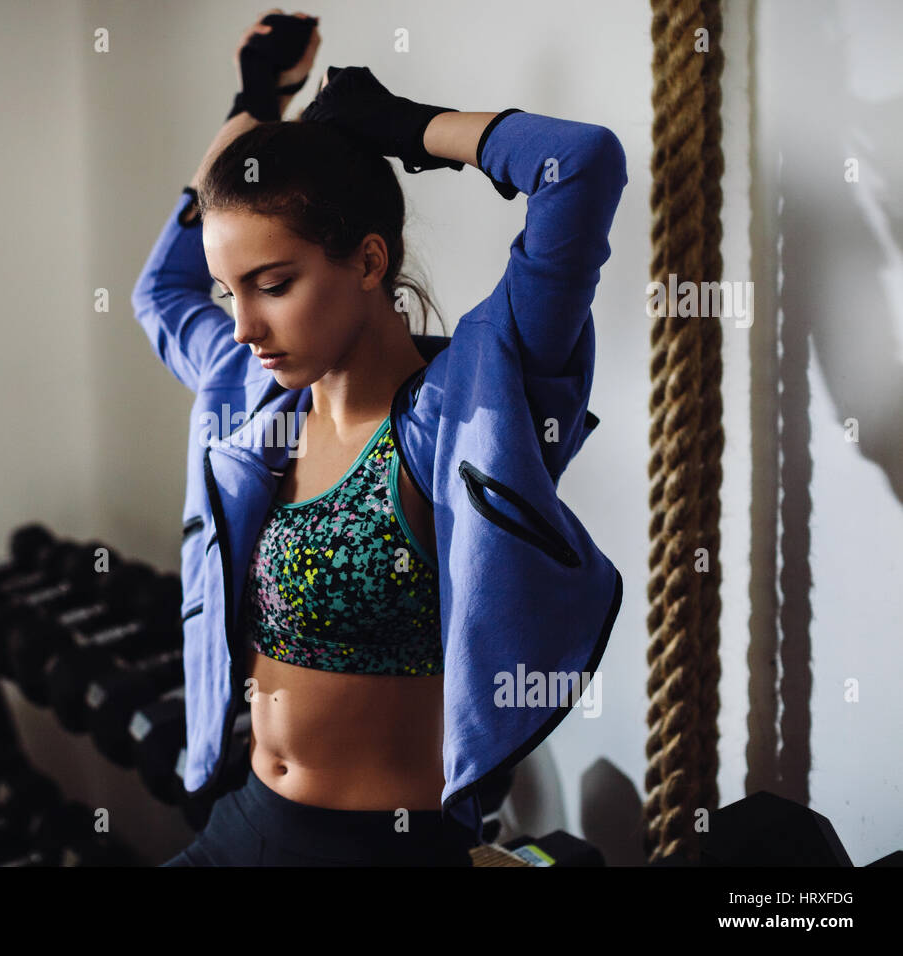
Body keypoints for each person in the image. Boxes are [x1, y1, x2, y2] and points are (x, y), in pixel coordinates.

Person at [134, 9, 626, 866]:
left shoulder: (472, 404)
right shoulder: (250, 398)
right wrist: (256, 105)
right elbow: (160, 293)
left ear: (368, 262)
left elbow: (579, 166)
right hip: (242, 822)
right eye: (231, 293)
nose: (244, 325)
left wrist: (407, 127)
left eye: (274, 284)